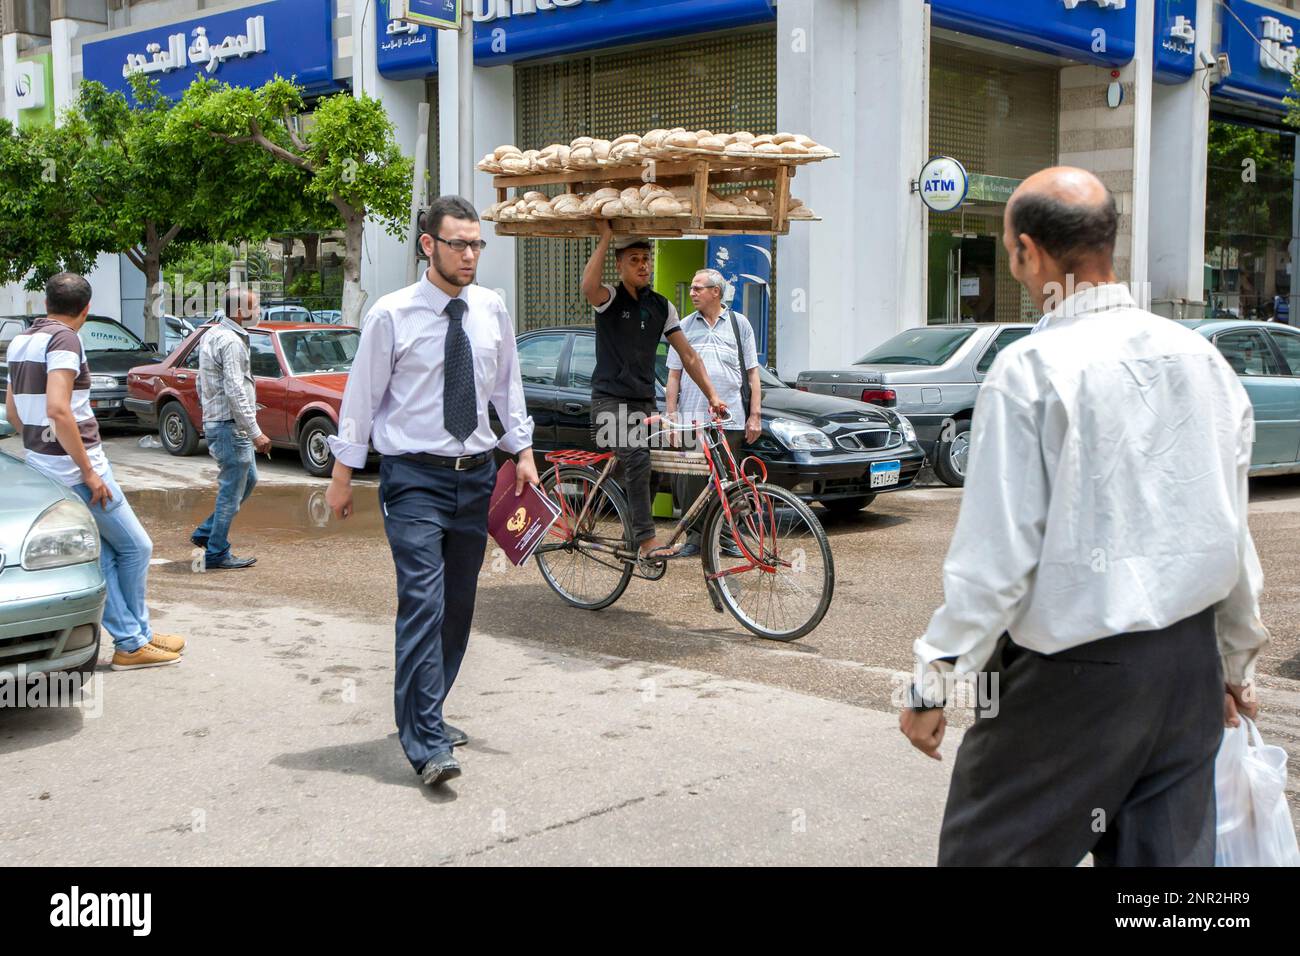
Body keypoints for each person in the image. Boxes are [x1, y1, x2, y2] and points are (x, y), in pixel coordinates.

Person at [900, 167, 1270, 866]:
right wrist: (1232, 661)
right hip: (1185, 670)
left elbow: (996, 558)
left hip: (1071, 679)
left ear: (1028, 252)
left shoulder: (1031, 368)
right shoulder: (1203, 360)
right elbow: (1230, 528)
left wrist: (935, 678)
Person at [325, 195, 538, 788]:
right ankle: (425, 744)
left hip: (476, 476)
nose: (471, 255)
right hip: (412, 477)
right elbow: (361, 398)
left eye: (477, 244)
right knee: (424, 599)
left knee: (459, 606)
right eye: (459, 244)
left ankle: (428, 710)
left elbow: (506, 389)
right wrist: (344, 474)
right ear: (428, 245)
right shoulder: (391, 315)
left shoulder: (491, 308)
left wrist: (521, 452)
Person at [4, 273, 184, 670]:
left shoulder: (20, 340)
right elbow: (58, 407)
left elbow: (15, 412)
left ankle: (138, 634)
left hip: (44, 466)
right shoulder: (66, 339)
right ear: (85, 310)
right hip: (76, 468)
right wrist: (87, 471)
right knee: (137, 548)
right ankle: (131, 642)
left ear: (47, 302)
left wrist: (40, 443)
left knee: (104, 553)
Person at [580, 222, 728, 563]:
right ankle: (647, 541)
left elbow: (688, 356)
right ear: (619, 265)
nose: (643, 265)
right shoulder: (610, 300)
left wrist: (712, 395)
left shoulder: (662, 306)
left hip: (644, 402)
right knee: (636, 457)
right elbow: (589, 286)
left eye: (646, 258)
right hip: (609, 404)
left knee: (662, 460)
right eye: (634, 259)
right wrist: (605, 237)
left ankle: (633, 534)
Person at [664, 269, 762, 558]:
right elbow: (673, 377)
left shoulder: (738, 324)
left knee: (729, 479)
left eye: (698, 288)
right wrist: (671, 418)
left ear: (715, 292)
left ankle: (729, 536)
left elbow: (753, 374)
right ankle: (696, 538)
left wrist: (755, 414)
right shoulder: (682, 326)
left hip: (729, 418)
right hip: (691, 417)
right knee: (692, 480)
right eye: (692, 287)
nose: (692, 293)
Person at [192, 287, 270, 570]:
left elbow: (200, 382)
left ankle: (206, 533)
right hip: (230, 427)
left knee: (248, 480)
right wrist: (255, 432)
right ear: (240, 311)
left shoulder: (213, 334)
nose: (259, 311)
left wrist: (209, 411)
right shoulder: (231, 342)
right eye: (255, 306)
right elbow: (236, 390)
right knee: (231, 490)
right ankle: (216, 551)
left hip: (222, 423)